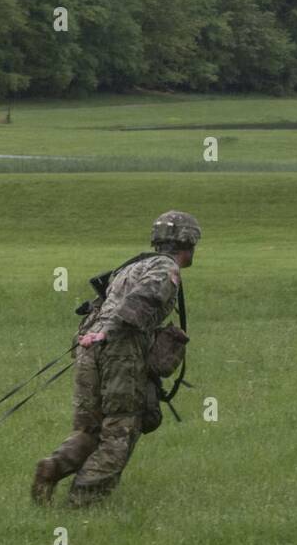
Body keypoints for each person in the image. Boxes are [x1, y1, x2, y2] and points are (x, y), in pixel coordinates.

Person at [32, 211, 201, 507]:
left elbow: (101, 306)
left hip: (90, 348)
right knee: (120, 431)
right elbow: (142, 300)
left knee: (90, 429)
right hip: (119, 352)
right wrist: (109, 333)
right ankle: (82, 504)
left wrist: (94, 337)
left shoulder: (132, 266)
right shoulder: (165, 269)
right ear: (189, 243)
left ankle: (53, 467)